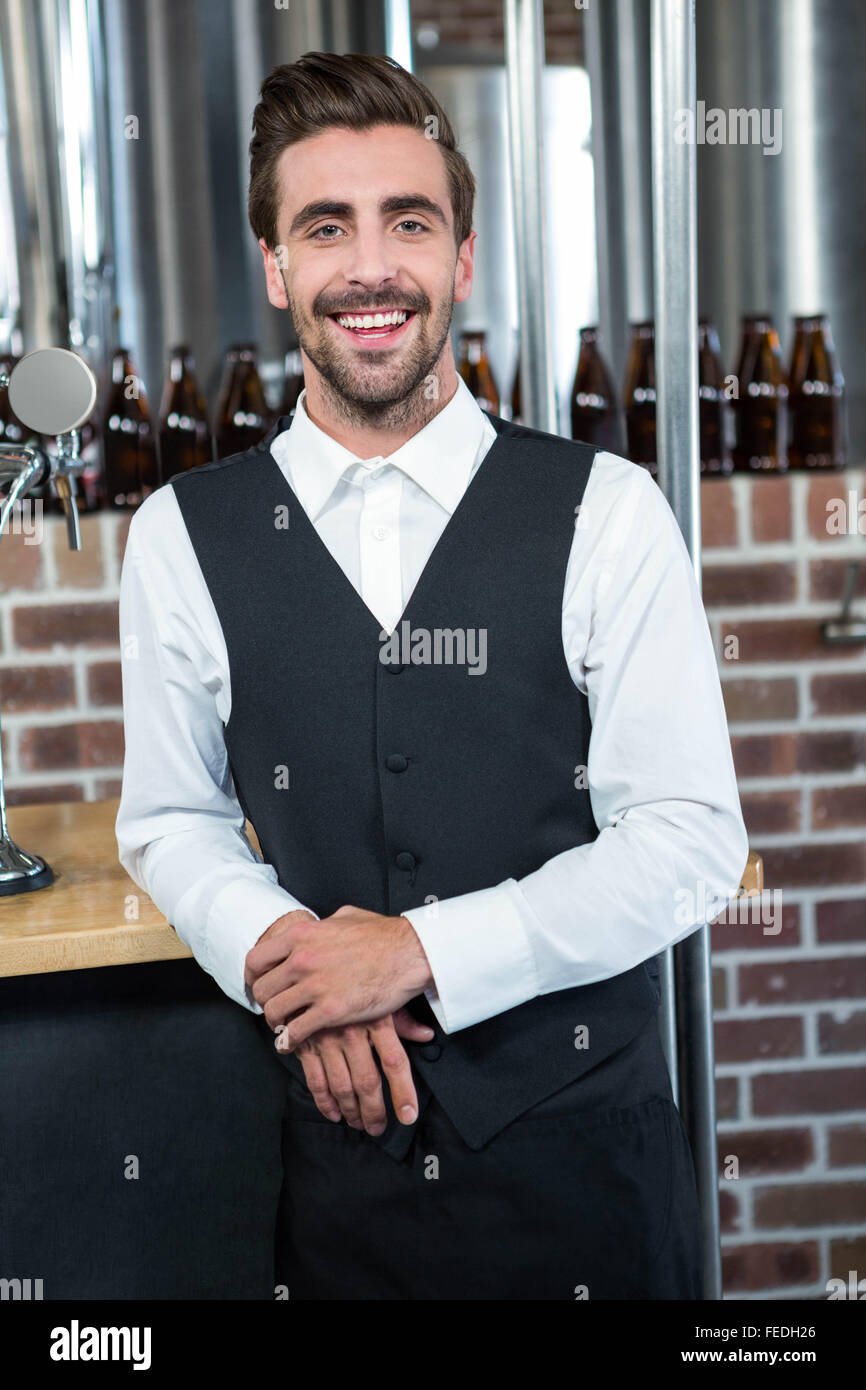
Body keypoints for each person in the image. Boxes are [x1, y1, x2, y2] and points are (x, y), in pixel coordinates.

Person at [116, 52, 749, 1301]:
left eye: (408, 223)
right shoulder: (182, 534)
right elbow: (171, 818)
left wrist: (412, 951)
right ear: (276, 267)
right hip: (333, 1169)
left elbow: (684, 838)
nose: (368, 268)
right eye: (324, 226)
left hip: (583, 1175)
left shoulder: (605, 513)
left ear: (461, 259)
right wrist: (293, 954)